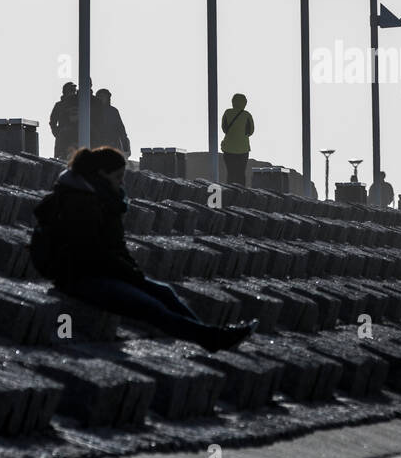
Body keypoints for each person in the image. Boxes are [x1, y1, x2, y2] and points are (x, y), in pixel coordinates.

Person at [29, 146, 255, 351]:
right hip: (78, 276)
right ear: (101, 175)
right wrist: (131, 276)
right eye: (118, 177)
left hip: (102, 271)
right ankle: (211, 339)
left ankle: (209, 335)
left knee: (164, 292)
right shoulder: (80, 202)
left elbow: (115, 247)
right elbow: (92, 252)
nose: (122, 183)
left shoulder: (104, 199)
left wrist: (135, 274)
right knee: (150, 307)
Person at [220, 92, 254, 186]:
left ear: (233, 102)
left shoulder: (227, 113)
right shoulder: (247, 115)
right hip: (243, 149)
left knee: (230, 173)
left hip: (228, 148)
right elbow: (251, 131)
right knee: (241, 173)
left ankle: (230, 192)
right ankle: (241, 193)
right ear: (244, 103)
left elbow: (224, 128)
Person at [93, 88, 129, 154]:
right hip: (97, 146)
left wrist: (125, 146)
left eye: (103, 96)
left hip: (112, 146)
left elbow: (121, 130)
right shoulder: (92, 111)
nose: (101, 98)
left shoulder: (113, 111)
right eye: (99, 96)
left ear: (108, 98)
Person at [49, 82, 78, 160]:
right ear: (65, 92)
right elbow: (53, 121)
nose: (73, 92)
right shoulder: (59, 105)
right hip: (62, 138)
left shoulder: (79, 104)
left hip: (76, 137)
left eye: (74, 91)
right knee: (61, 159)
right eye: (71, 90)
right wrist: (57, 133)